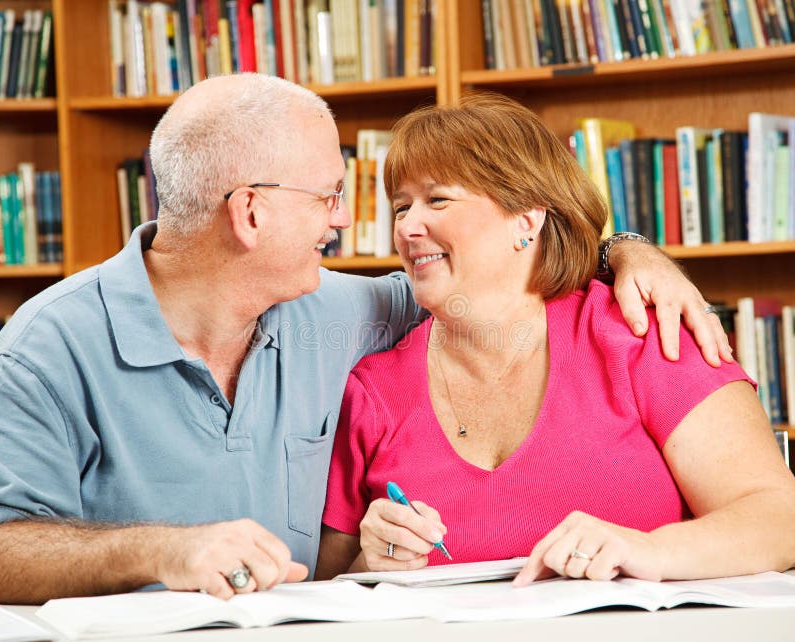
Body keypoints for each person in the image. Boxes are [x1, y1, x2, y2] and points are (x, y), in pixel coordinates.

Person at [0, 75, 726, 605]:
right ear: (250, 213)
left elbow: (498, 273)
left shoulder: (340, 309)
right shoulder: (47, 349)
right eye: (328, 196)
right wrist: (161, 550)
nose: (344, 222)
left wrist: (628, 251)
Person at [315, 93, 795, 584]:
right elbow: (327, 588)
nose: (407, 227)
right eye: (401, 207)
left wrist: (647, 549)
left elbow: (780, 516)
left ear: (527, 218)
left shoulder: (638, 334)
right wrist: (372, 560)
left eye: (437, 199)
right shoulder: (372, 390)